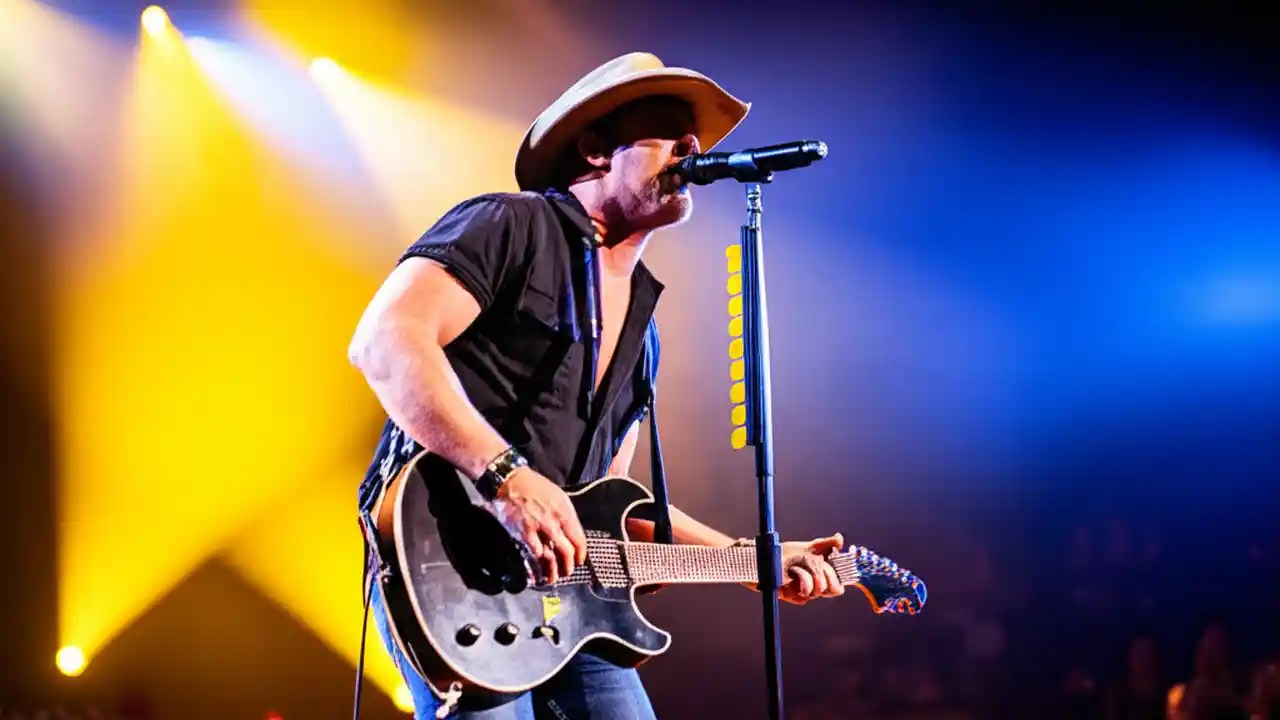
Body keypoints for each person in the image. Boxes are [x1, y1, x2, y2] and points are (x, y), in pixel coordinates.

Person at [348, 52, 848, 720]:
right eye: (666, 129)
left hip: (568, 596)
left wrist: (752, 558)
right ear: (594, 149)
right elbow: (385, 341)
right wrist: (507, 477)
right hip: (452, 560)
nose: (691, 146)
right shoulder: (509, 225)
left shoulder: (645, 331)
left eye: (694, 137)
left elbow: (611, 511)